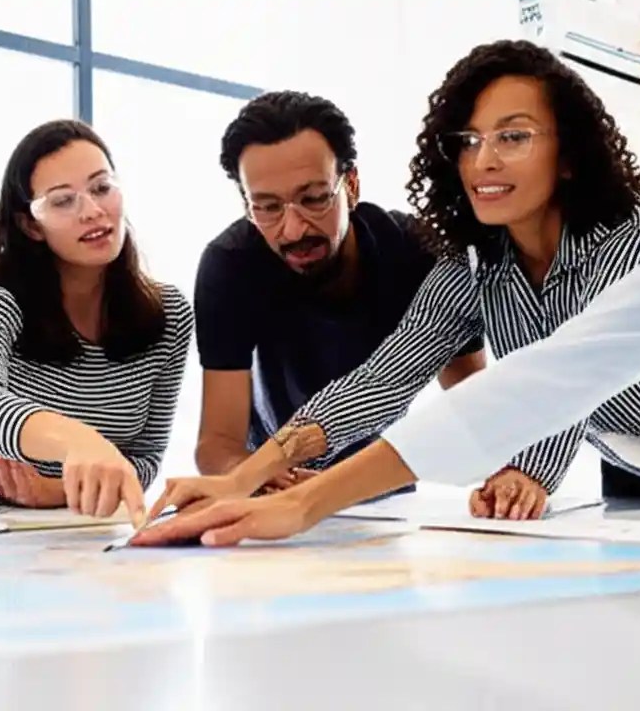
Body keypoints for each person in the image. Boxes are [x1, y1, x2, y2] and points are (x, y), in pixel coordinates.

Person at [131, 0, 640, 547]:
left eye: (514, 137)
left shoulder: (632, 223)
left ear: (571, 152)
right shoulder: (469, 269)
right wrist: (252, 477)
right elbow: (380, 380)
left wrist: (529, 467)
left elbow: (572, 368)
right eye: (468, 141)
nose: (484, 160)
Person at [0, 120, 192, 525]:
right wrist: (79, 442)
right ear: (31, 225)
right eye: (63, 201)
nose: (93, 211)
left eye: (101, 188)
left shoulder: (168, 314)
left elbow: (144, 456)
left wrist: (56, 491)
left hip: (50, 517)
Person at [193, 90, 485, 492]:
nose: (293, 229)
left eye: (313, 199)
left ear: (351, 184)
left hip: (382, 488)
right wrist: (257, 476)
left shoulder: (419, 254)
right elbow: (216, 443)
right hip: (271, 481)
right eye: (267, 207)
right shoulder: (231, 264)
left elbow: (476, 406)